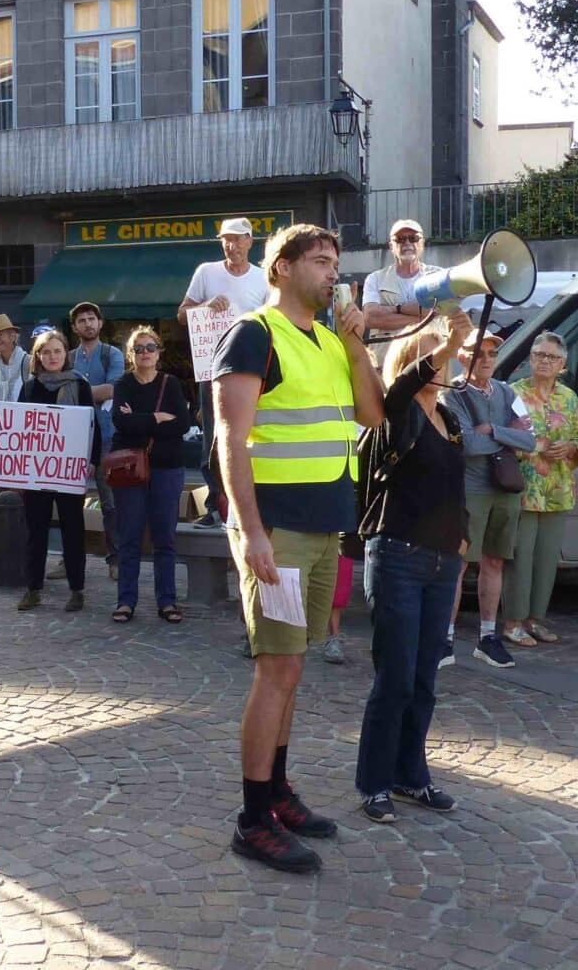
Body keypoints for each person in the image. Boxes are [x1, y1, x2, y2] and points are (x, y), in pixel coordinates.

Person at [213, 223, 383, 873]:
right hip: (277, 531)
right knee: (276, 668)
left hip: (323, 527)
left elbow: (372, 414)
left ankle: (277, 792)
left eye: (335, 262)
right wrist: (252, 530)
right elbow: (231, 439)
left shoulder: (331, 340)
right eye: (319, 260)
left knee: (293, 666)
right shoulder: (254, 333)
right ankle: (253, 818)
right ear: (281, 268)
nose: (332, 272)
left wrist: (355, 340)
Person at [354, 313, 475, 823]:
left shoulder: (449, 417)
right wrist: (449, 343)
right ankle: (375, 783)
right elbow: (403, 387)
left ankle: (411, 774)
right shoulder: (395, 411)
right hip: (398, 555)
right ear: (412, 360)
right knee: (395, 678)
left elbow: (455, 485)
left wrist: (462, 537)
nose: (445, 359)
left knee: (425, 677)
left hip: (442, 561)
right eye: (433, 352)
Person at [444, 332, 536, 668]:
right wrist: (508, 434)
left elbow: (530, 441)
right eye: (477, 352)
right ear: (462, 356)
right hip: (470, 491)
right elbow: (467, 444)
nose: (486, 359)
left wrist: (494, 430)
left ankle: (487, 636)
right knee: (458, 564)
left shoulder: (507, 392)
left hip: (504, 489)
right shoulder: (452, 394)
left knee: (495, 561)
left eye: (492, 353)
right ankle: (445, 638)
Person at [180, 217, 270, 529]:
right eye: (226, 240)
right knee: (213, 438)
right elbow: (181, 314)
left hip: (252, 369)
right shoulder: (206, 272)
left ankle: (251, 505)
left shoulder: (263, 278)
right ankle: (216, 506)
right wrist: (205, 306)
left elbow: (273, 322)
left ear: (250, 241)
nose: (232, 246)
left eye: (237, 239)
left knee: (252, 435)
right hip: (213, 369)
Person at [502, 331, 578, 647]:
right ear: (530, 358)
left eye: (552, 357)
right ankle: (513, 621)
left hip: (558, 488)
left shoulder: (569, 397)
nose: (545, 361)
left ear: (563, 364)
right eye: (539, 354)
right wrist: (536, 448)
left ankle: (535, 619)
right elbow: (505, 437)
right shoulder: (513, 393)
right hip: (524, 487)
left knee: (547, 559)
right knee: (519, 557)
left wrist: (570, 448)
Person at [109, 326, 193, 622]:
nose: (145, 353)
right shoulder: (123, 384)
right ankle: (125, 601)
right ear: (130, 355)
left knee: (164, 536)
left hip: (167, 467)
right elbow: (121, 423)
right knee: (129, 535)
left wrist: (140, 420)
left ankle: (167, 601)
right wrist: (157, 418)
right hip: (130, 469)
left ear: (159, 352)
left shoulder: (171, 384)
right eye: (139, 349)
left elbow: (182, 424)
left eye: (150, 347)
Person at [16, 330, 100, 612]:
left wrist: (92, 459)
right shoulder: (29, 388)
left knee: (72, 529)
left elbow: (93, 426)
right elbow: (19, 429)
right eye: (46, 352)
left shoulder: (80, 385)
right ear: (38, 356)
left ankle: (77, 590)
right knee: (35, 530)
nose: (52, 357)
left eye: (57, 351)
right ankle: (33, 589)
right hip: (35, 472)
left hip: (69, 470)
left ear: (66, 354)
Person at [69, 302, 126, 580]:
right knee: (68, 501)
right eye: (82, 320)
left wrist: (77, 393)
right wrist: (91, 392)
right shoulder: (68, 357)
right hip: (73, 438)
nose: (88, 324)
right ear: (74, 327)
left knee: (110, 502)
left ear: (100, 323)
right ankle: (69, 559)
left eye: (92, 318)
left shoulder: (111, 354)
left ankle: (115, 559)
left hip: (106, 437)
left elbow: (113, 389)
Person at [360, 218, 446, 371]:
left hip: (431, 366)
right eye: (400, 239)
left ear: (422, 243)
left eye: (413, 238)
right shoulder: (375, 279)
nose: (407, 243)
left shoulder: (439, 275)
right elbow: (371, 317)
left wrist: (394, 309)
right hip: (385, 366)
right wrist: (423, 318)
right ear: (391, 246)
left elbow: (438, 309)